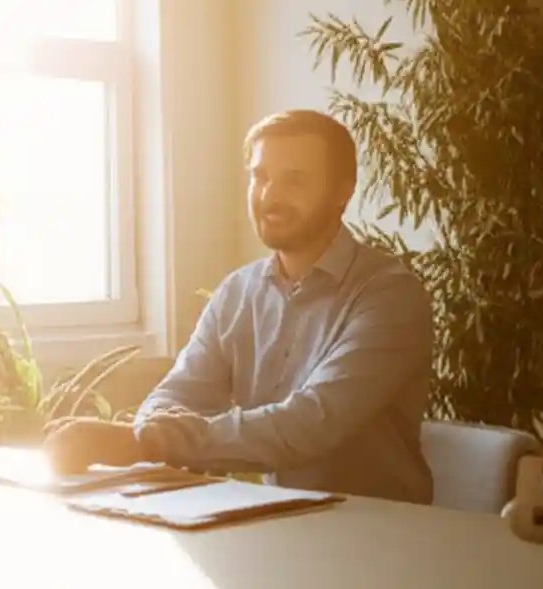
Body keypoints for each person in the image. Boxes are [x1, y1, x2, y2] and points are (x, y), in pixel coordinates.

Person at [45, 110, 434, 503]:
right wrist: (146, 432)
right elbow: (178, 392)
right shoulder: (238, 292)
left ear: (342, 192)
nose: (270, 196)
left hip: (378, 532)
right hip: (276, 521)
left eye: (294, 180)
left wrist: (149, 442)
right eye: (260, 177)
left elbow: (311, 421)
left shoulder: (390, 296)